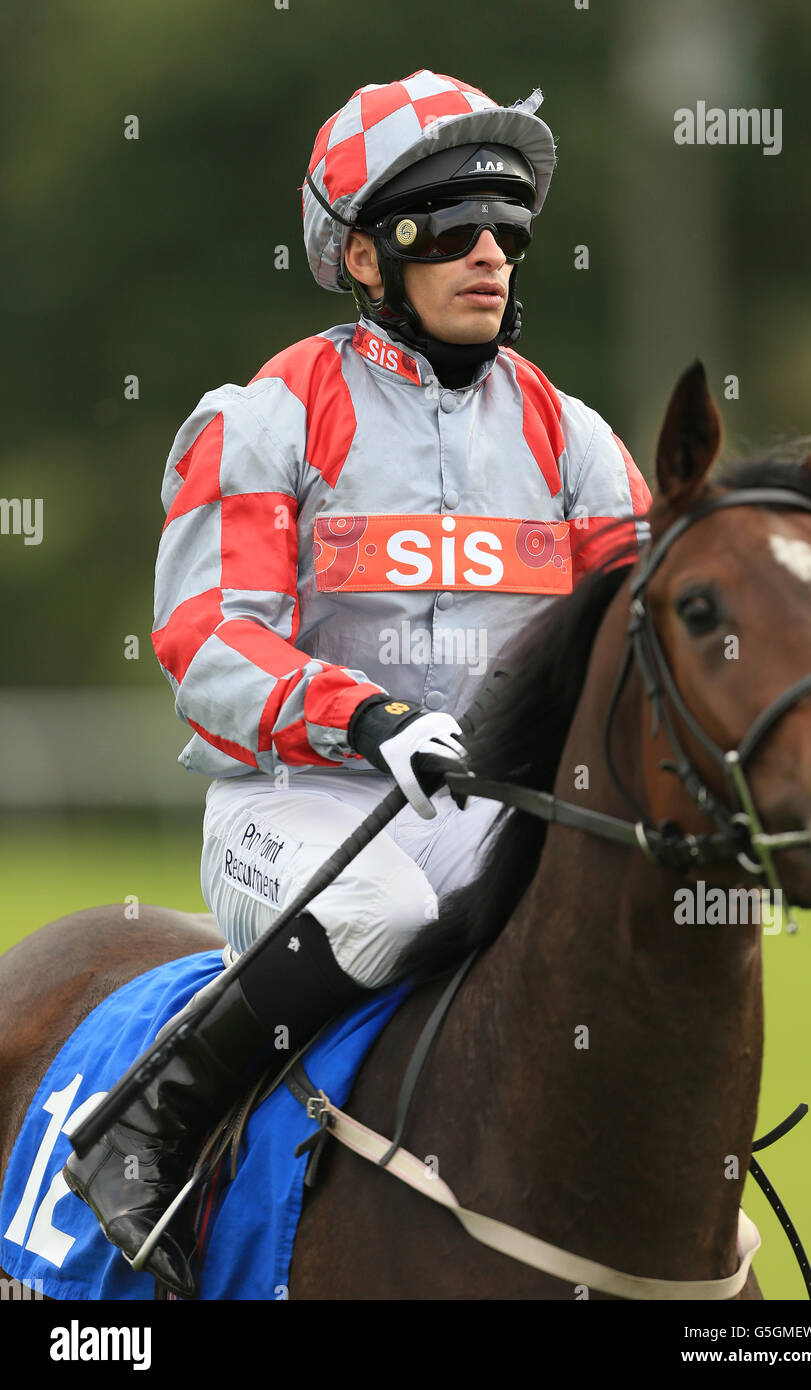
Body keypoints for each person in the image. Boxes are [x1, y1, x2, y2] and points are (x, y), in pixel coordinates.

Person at [63, 69, 651, 1298]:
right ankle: (148, 1131)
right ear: (368, 258)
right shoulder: (265, 415)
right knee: (379, 917)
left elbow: (642, 626)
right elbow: (206, 638)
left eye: (508, 231)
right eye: (447, 228)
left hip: (488, 801)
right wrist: (366, 715)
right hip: (302, 802)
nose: (488, 255)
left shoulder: (572, 438)